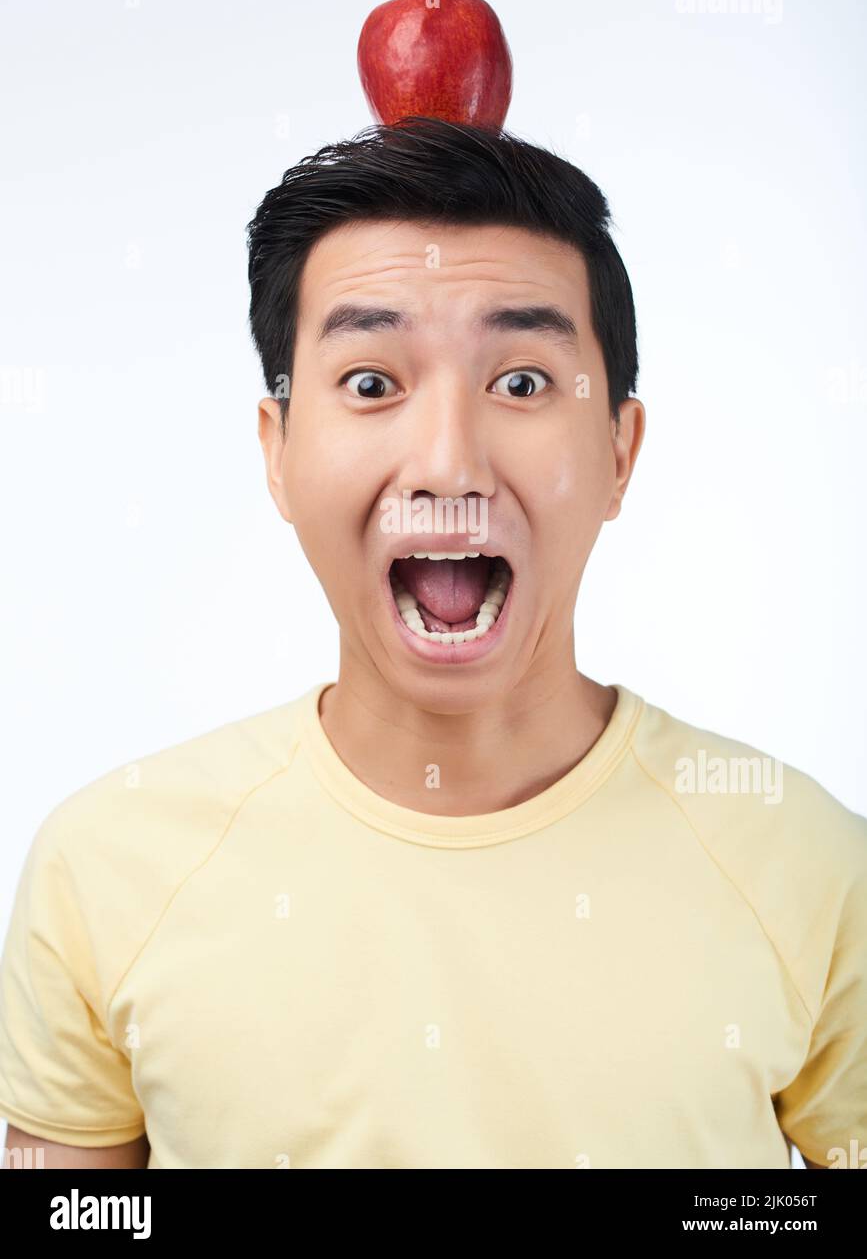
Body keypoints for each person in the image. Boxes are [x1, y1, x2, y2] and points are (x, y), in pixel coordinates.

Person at [1, 118, 864, 1170]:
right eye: (371, 382)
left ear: (619, 452)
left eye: (522, 383)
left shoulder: (813, 871)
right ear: (278, 452)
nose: (449, 462)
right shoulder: (105, 870)